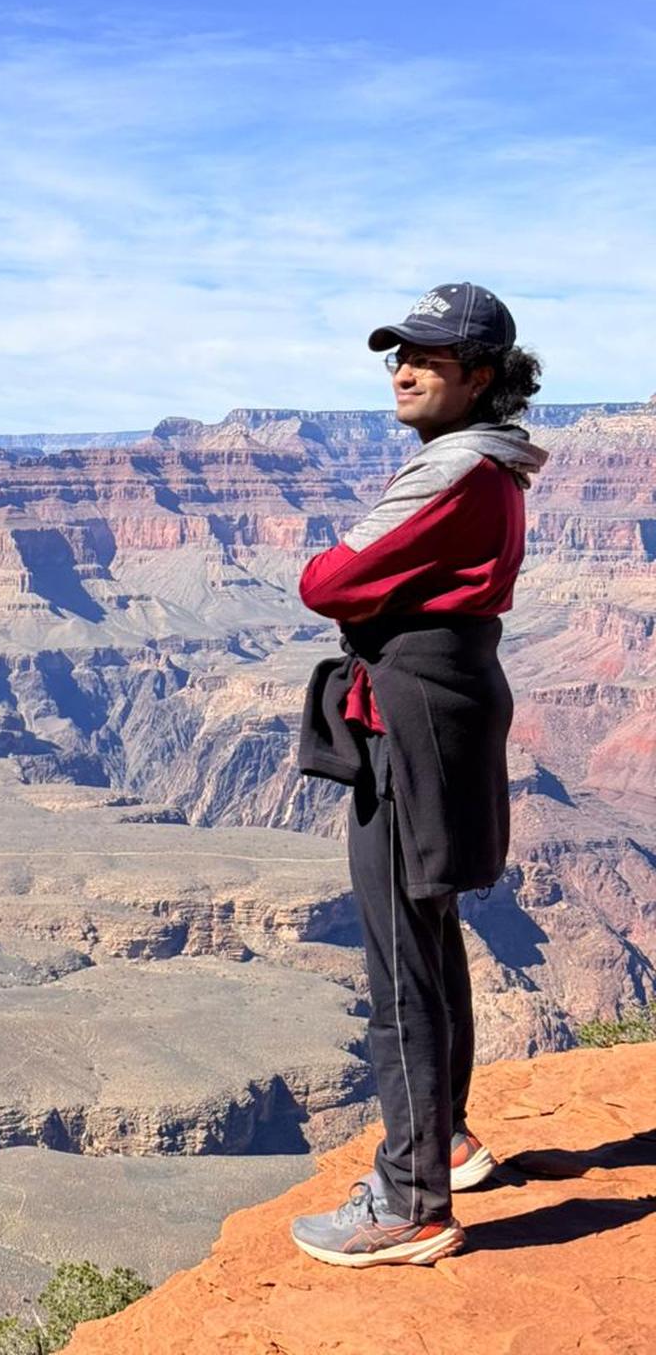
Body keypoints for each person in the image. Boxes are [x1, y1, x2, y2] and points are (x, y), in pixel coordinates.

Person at [290, 282, 547, 1267]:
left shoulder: (453, 474)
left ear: (477, 375)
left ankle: (410, 1201)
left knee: (402, 956)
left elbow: (328, 582)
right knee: (429, 934)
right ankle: (448, 1142)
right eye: (397, 352)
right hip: (450, 697)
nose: (400, 369)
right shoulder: (491, 466)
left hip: (416, 719)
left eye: (426, 357)